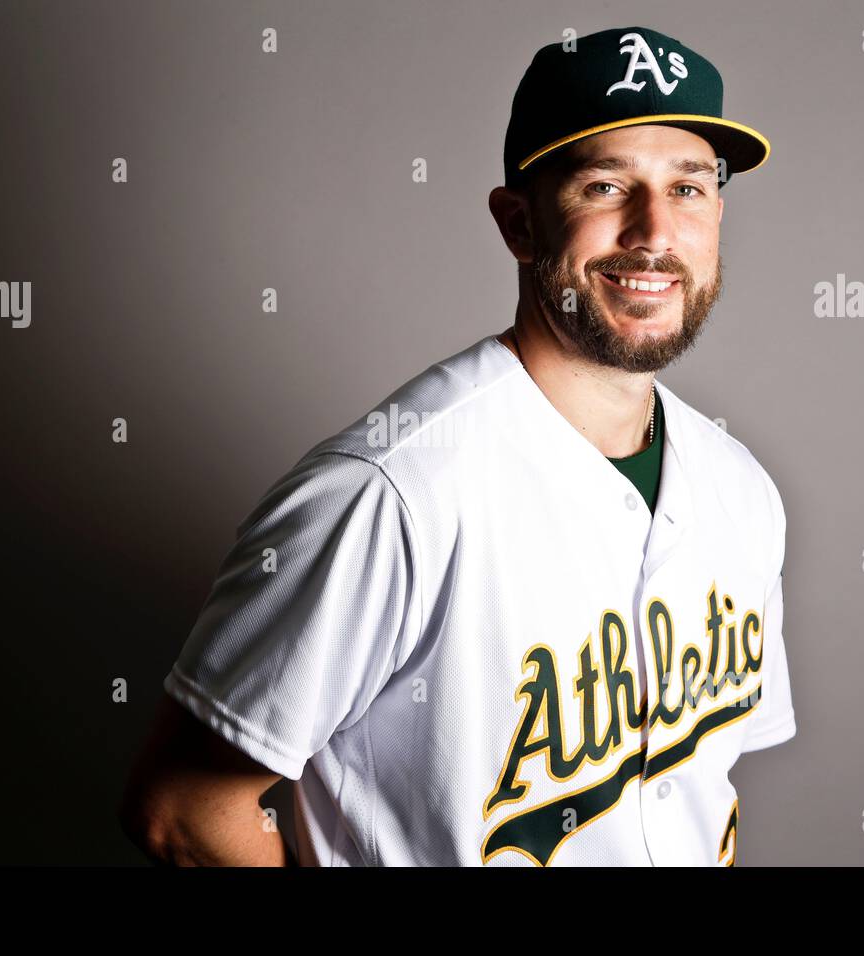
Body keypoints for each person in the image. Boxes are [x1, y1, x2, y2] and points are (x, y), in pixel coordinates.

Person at [119, 25, 794, 867]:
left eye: (688, 188)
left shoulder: (743, 490)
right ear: (519, 223)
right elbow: (186, 810)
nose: (653, 231)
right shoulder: (392, 493)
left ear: (717, 213)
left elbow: (692, 791)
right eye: (605, 185)